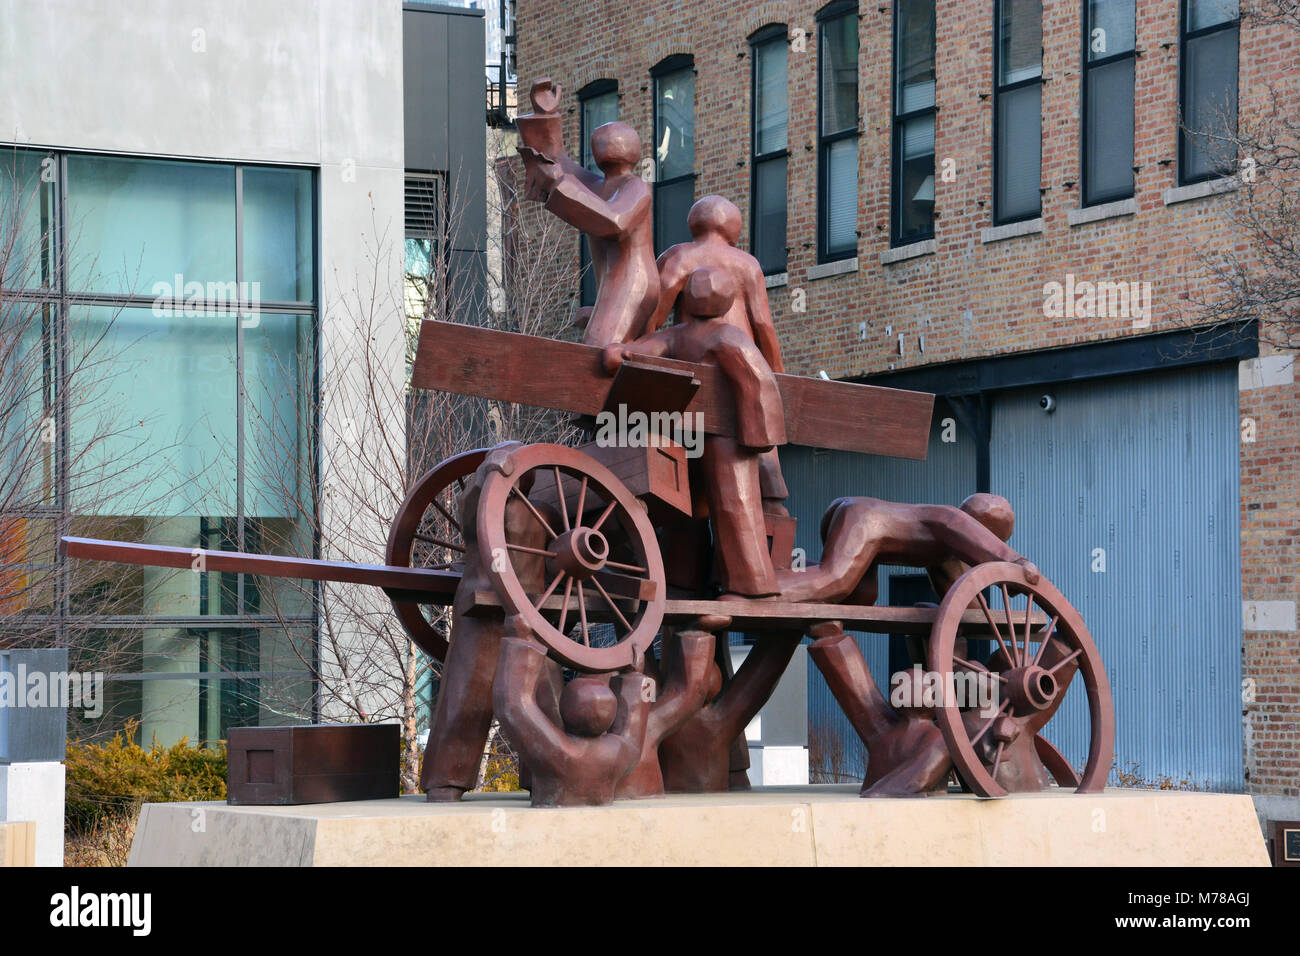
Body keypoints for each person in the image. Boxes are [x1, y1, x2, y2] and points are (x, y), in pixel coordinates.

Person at [603, 267, 785, 597]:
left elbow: (635, 351)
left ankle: (735, 582)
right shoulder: (726, 337)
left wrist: (620, 352)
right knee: (720, 506)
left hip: (708, 438)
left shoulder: (683, 336)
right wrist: (759, 437)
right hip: (721, 438)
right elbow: (760, 381)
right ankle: (740, 580)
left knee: (712, 506)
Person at [643, 196, 789, 515]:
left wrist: (650, 354)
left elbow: (652, 315)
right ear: (732, 228)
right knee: (760, 463)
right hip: (742, 370)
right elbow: (764, 325)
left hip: (694, 364)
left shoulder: (679, 256)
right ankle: (770, 509)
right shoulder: (747, 264)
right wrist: (779, 377)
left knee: (692, 480)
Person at [517, 79, 658, 348]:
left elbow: (615, 221)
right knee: (606, 354)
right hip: (614, 284)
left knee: (597, 350)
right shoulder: (598, 185)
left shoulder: (636, 187)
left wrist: (559, 182)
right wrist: (546, 115)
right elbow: (557, 159)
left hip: (634, 282)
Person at [777, 492, 1040, 605]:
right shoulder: (950, 519)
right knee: (835, 581)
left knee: (861, 598)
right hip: (866, 520)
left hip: (863, 525)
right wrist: (1017, 565)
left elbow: (965, 604)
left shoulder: (944, 556)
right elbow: (988, 551)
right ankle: (767, 589)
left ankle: (786, 565)